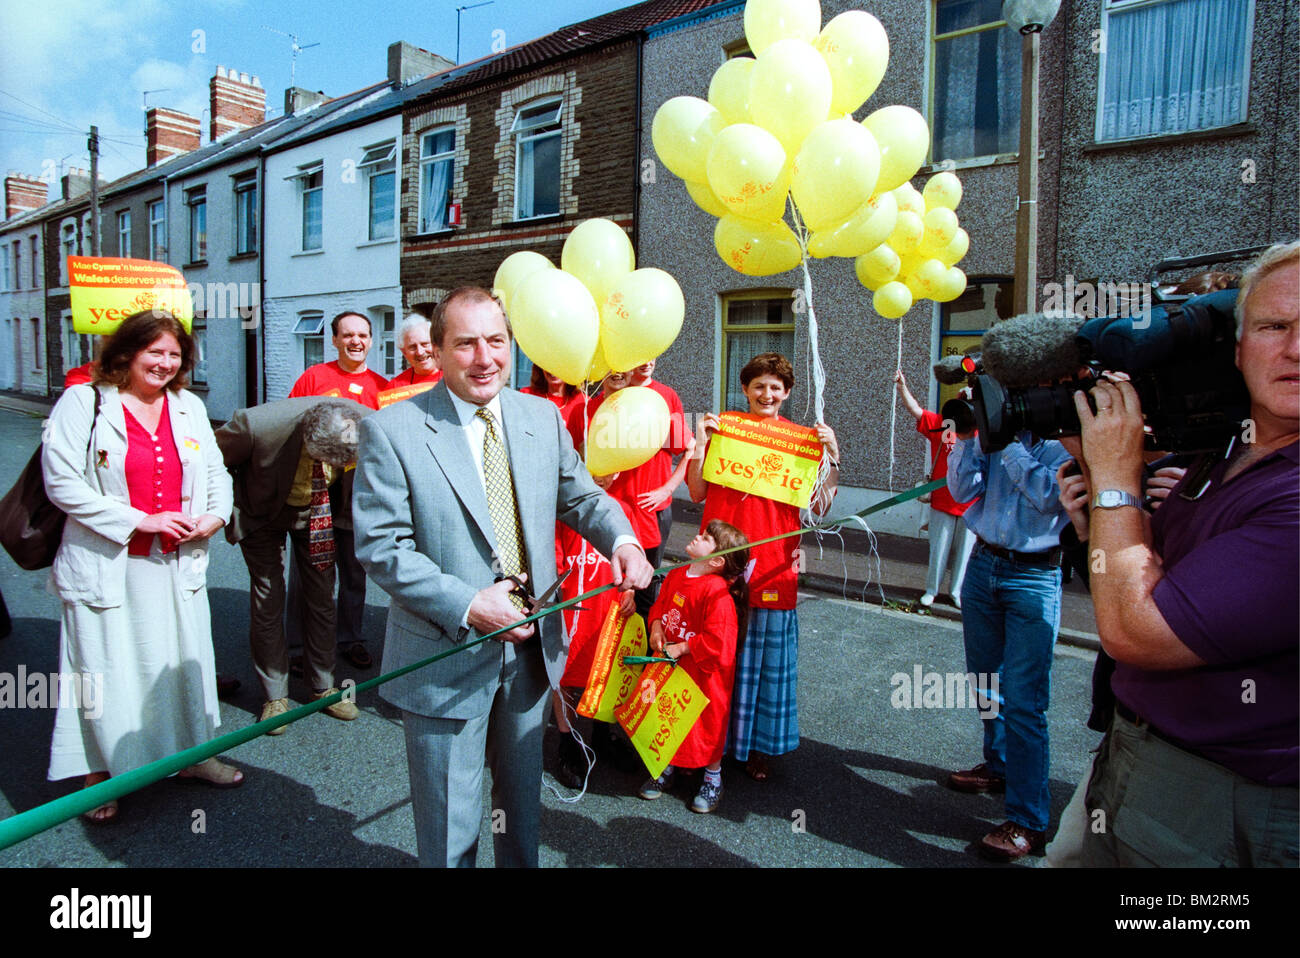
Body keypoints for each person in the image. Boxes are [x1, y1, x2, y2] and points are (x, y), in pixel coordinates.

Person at [352, 286, 652, 868]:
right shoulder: (393, 430)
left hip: (532, 653)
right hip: (445, 655)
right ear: (436, 351)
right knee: (448, 824)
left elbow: (582, 497)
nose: (484, 357)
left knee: (520, 815)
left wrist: (623, 540)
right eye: (465, 344)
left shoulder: (540, 416)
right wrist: (468, 604)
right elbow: (382, 547)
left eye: (496, 340)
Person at [1074, 241, 1298, 867]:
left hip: (1230, 799)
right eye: (1275, 326)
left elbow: (1137, 632)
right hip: (1135, 755)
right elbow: (1149, 568)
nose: (1296, 349)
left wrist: (1115, 476)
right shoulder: (1228, 448)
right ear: (1237, 348)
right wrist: (1102, 494)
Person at [41, 309, 240, 824]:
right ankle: (99, 772)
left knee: (181, 663)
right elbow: (62, 484)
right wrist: (140, 520)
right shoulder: (84, 402)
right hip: (110, 563)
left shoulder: (188, 406)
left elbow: (216, 470)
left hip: (176, 564)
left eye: (175, 354)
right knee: (106, 668)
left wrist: (216, 515)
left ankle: (193, 757)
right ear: (127, 353)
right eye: (155, 352)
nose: (165, 363)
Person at [945, 322, 1073, 862]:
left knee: (1025, 703)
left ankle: (1028, 820)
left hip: (1034, 574)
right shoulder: (991, 429)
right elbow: (960, 491)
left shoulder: (1063, 434)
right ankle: (996, 768)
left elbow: (1049, 498)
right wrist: (975, 438)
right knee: (986, 682)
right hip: (984, 565)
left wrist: (1012, 444)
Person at [685, 352, 839, 783]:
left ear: (786, 394)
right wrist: (700, 443)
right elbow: (697, 491)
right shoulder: (725, 429)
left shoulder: (801, 439)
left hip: (772, 567)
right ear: (746, 390)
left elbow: (819, 508)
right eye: (758, 386)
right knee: (715, 657)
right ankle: (702, 740)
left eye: (775, 387)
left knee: (761, 664)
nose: (766, 394)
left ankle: (757, 746)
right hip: (719, 562)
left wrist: (833, 460)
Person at [216, 399, 370, 732]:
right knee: (268, 598)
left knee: (322, 597)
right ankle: (275, 697)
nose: (334, 466)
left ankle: (322, 687)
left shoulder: (363, 421)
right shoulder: (254, 425)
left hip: (315, 509)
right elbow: (212, 462)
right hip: (261, 513)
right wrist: (223, 508)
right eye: (325, 460)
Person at [288, 311, 388, 669]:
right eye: (347, 335)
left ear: (372, 340)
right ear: (334, 340)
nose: (356, 342)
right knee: (309, 569)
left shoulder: (383, 387)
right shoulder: (313, 378)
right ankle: (299, 646)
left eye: (362, 335)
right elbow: (292, 425)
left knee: (353, 568)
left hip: (355, 489)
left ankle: (351, 638)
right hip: (315, 488)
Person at [639, 519, 749, 814]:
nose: (696, 536)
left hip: (704, 675)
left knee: (706, 724)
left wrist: (684, 647)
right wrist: (657, 627)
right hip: (673, 667)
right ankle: (667, 764)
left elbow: (719, 642)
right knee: (671, 716)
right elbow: (661, 605)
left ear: (716, 561)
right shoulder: (677, 573)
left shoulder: (717, 594)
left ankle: (713, 778)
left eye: (705, 537)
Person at [894, 369, 978, 607]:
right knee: (938, 550)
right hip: (942, 500)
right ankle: (931, 590)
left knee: (964, 554)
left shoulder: (981, 432)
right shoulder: (944, 425)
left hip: (971, 505)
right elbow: (917, 411)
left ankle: (956, 592)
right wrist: (902, 388)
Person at [387, 313, 442, 388]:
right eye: (412, 347)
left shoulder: (455, 379)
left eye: (424, 344)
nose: (420, 352)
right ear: (404, 352)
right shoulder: (395, 388)